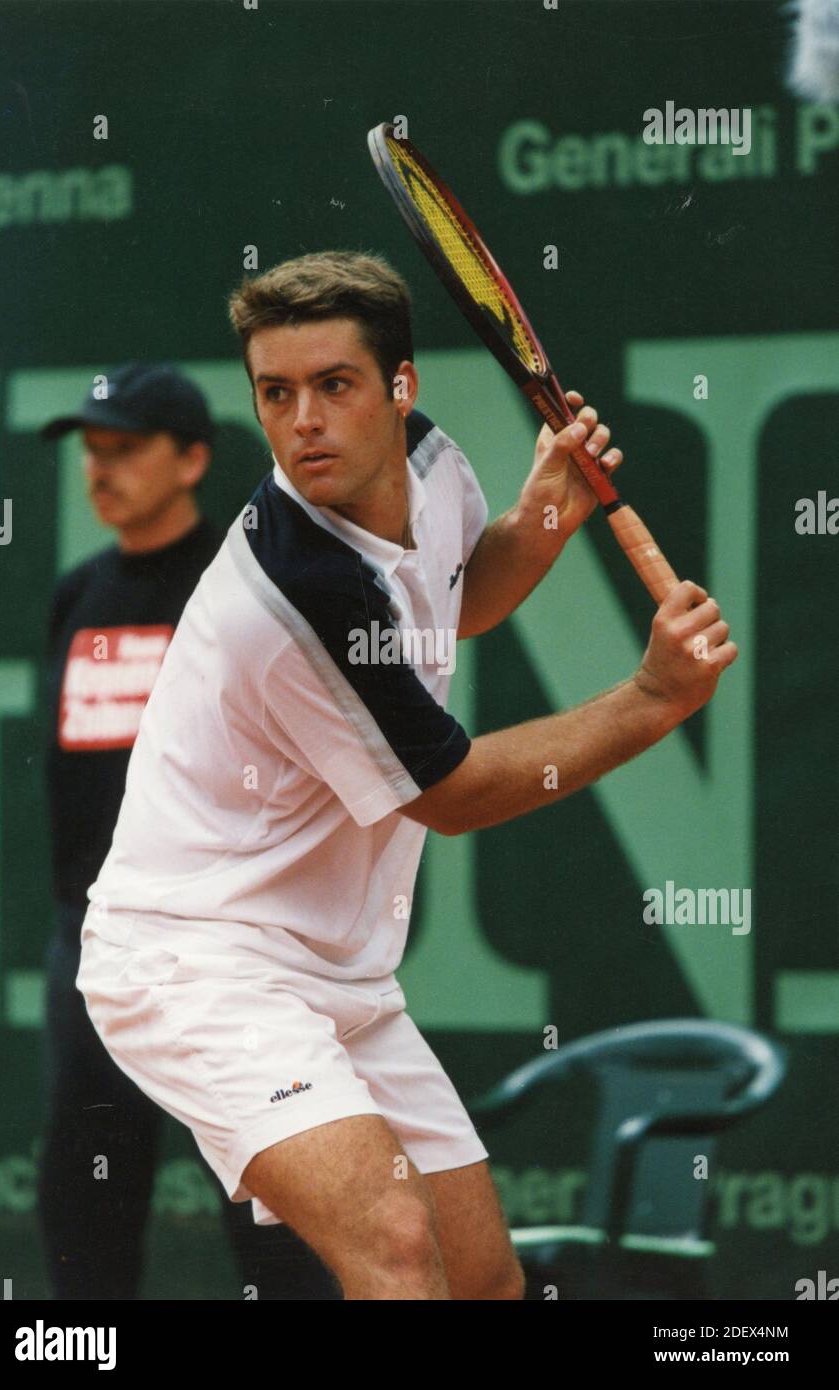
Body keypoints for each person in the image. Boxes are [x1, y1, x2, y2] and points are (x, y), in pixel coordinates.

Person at [75, 253, 737, 1301]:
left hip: (338, 974)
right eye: (276, 394)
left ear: (401, 390)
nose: (303, 423)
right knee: (392, 1243)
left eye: (334, 385)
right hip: (195, 960)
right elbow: (454, 791)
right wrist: (650, 698)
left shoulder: (429, 465)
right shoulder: (295, 590)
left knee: (478, 1278)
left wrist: (548, 511)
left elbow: (454, 598)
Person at [37, 362, 339, 1299]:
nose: (101, 470)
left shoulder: (241, 587)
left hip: (231, 947)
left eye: (125, 449)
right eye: (92, 452)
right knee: (87, 1186)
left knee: (269, 1194)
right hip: (97, 944)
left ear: (193, 458)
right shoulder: (75, 593)